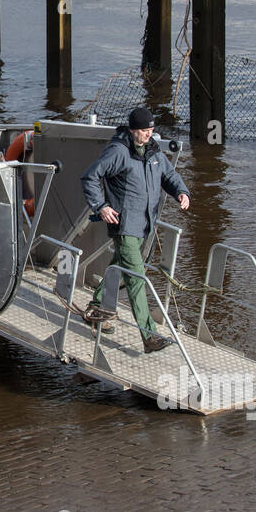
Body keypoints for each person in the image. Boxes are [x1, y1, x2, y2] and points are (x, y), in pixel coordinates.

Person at [79, 106, 190, 353]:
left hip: (144, 224)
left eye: (151, 130)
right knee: (136, 277)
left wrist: (181, 192)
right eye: (143, 131)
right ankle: (149, 336)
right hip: (124, 225)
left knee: (118, 266)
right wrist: (102, 206)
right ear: (132, 130)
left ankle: (97, 305)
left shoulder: (153, 151)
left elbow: (168, 175)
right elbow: (90, 176)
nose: (148, 135)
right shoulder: (118, 152)